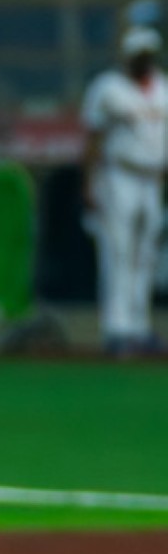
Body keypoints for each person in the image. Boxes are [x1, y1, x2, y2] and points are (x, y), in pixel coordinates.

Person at [80, 25, 166, 356]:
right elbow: (92, 136)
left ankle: (140, 327)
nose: (144, 61)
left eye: (148, 55)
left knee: (145, 256)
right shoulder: (108, 88)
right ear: (127, 57)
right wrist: (88, 182)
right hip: (119, 176)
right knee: (117, 252)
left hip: (153, 179)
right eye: (138, 56)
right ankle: (117, 329)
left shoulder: (163, 89)